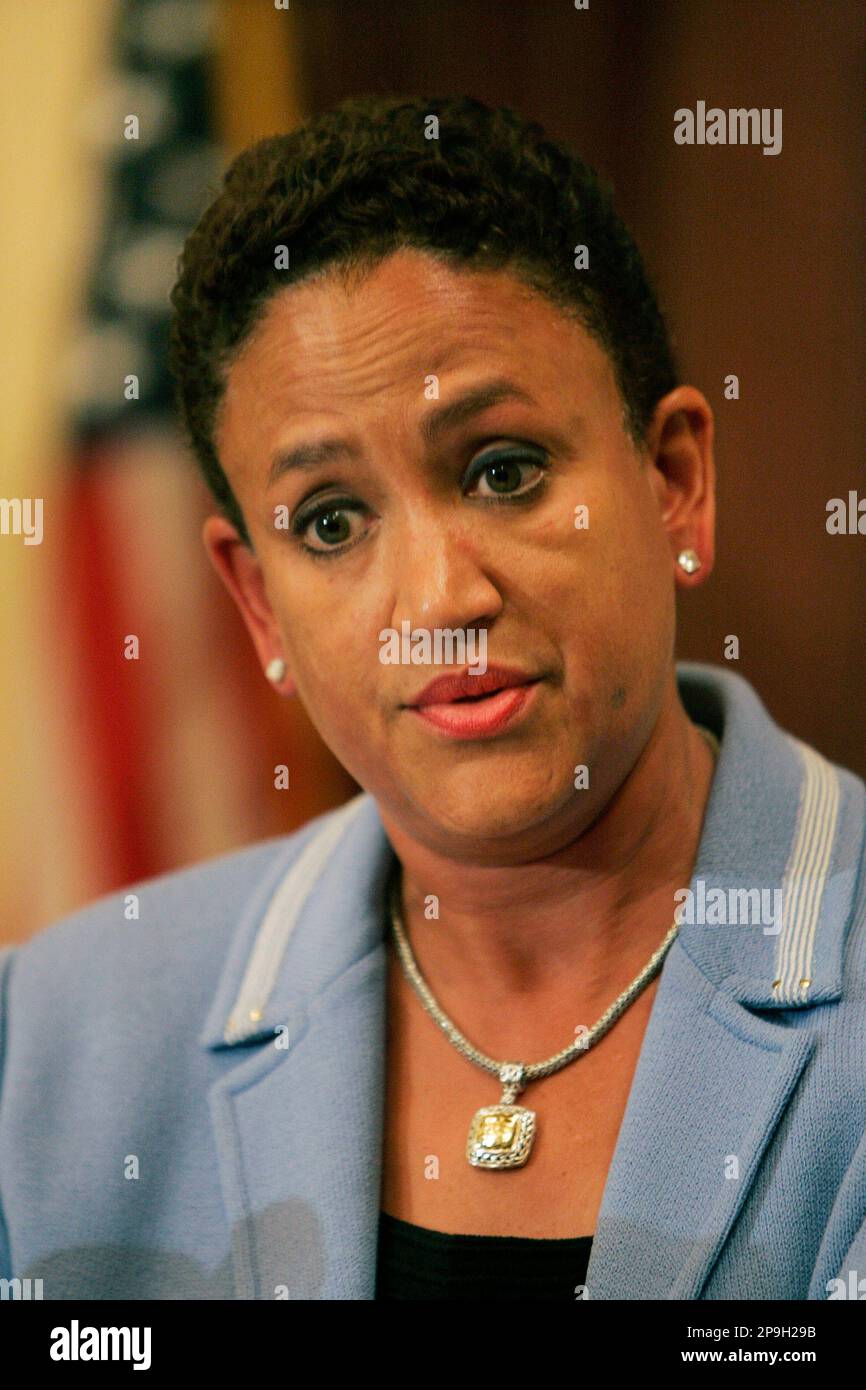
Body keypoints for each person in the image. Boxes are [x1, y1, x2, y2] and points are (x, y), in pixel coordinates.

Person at [2, 94, 865, 1302]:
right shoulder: (53, 1041)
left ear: (672, 483)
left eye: (502, 471)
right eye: (332, 522)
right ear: (258, 606)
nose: (434, 599)